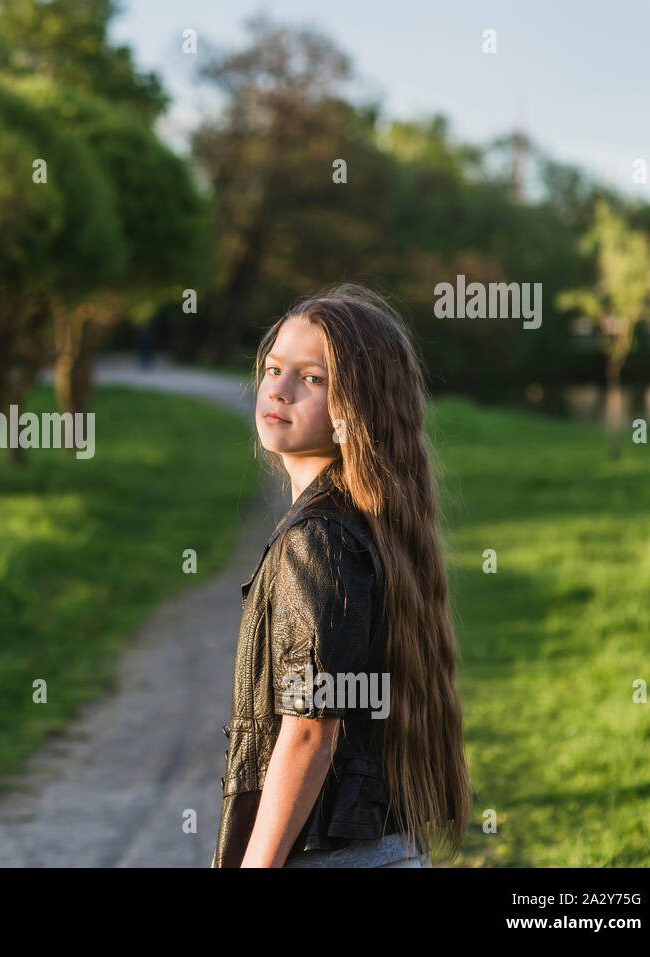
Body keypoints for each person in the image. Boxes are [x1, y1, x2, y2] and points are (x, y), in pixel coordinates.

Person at [211, 283, 470, 868]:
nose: (277, 389)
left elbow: (309, 730)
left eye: (312, 379)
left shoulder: (320, 540)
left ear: (356, 408)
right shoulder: (366, 523)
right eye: (275, 368)